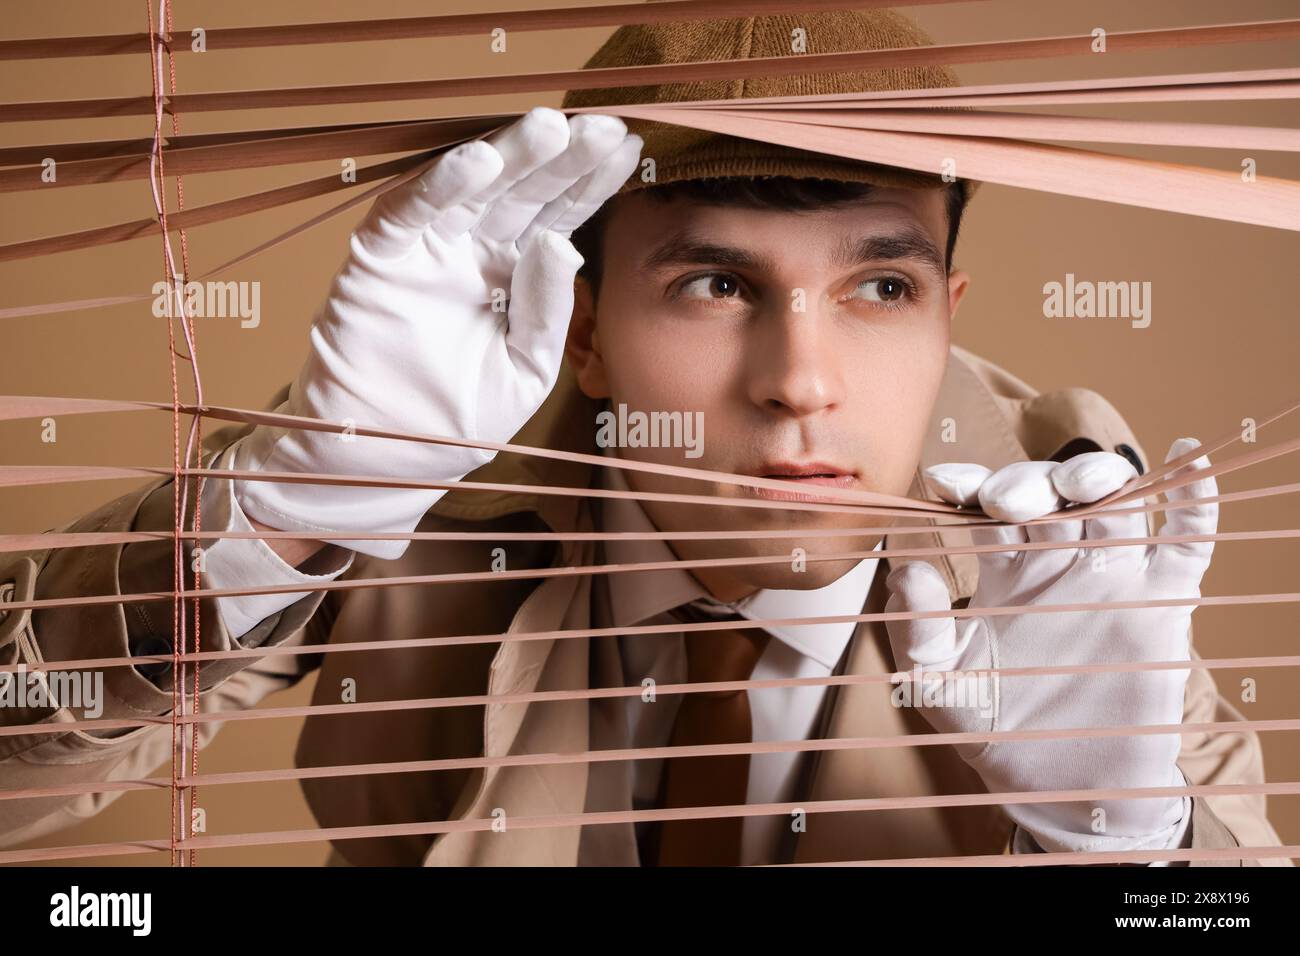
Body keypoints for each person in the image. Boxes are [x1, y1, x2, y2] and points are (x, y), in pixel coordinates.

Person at [0, 6, 1285, 866]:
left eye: (878, 288)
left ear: (948, 315)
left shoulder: (1069, 545)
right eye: (715, 285)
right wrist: (288, 512)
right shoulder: (411, 476)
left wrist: (1122, 835)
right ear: (581, 327)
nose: (800, 382)